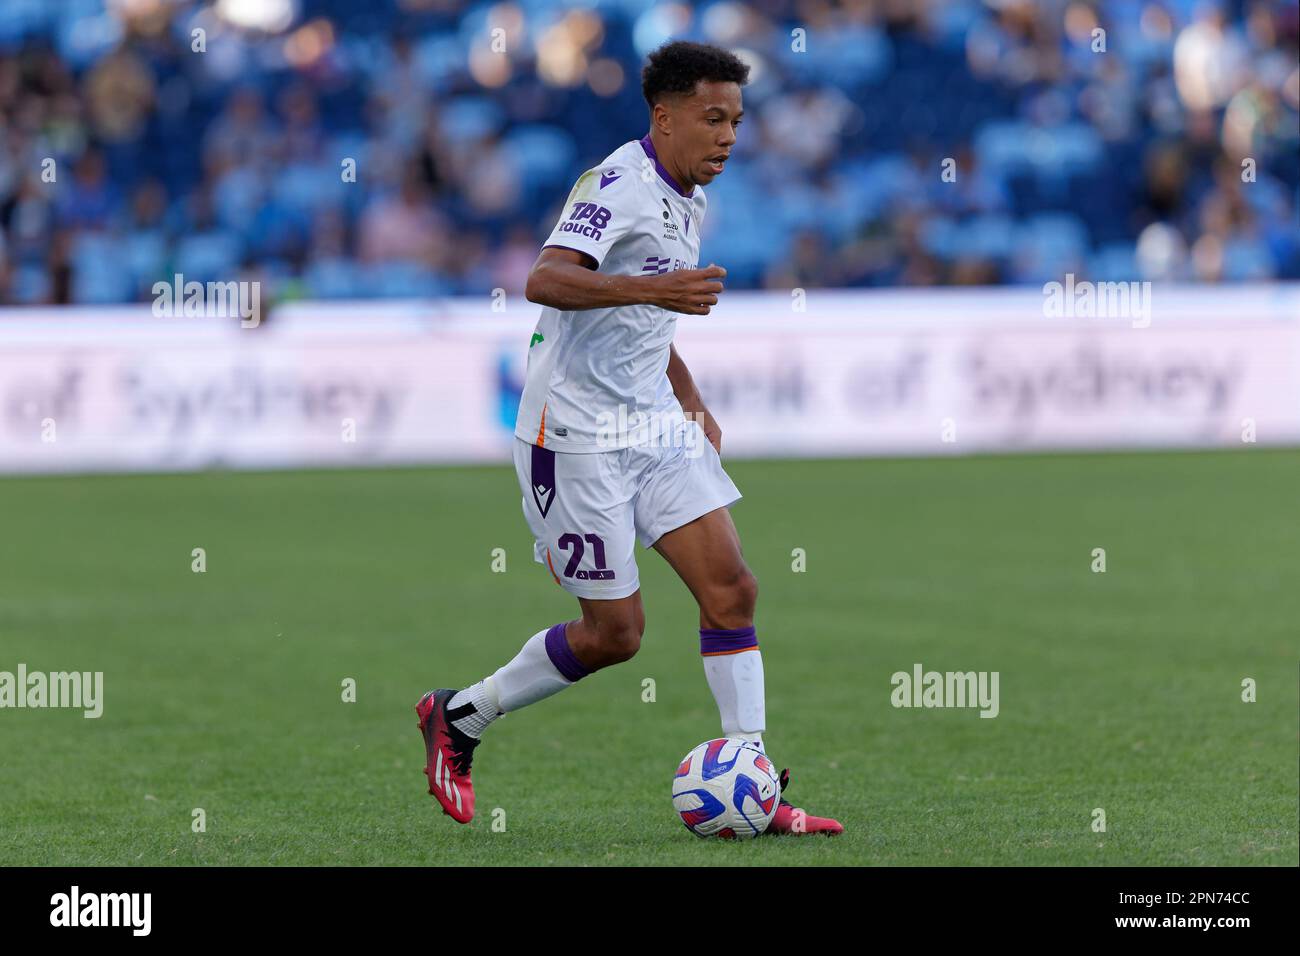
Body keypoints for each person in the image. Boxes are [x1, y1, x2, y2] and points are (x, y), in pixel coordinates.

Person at [417, 39, 842, 836]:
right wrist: (655, 288)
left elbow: (648, 318)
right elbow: (544, 278)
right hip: (573, 435)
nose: (727, 137)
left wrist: (690, 398)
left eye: (737, 122)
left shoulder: (691, 193)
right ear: (665, 116)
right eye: (712, 119)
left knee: (733, 589)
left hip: (651, 422)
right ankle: (461, 714)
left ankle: (753, 779)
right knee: (617, 636)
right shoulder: (617, 185)